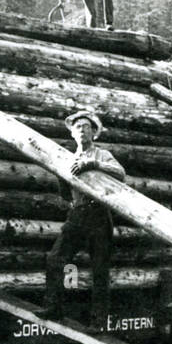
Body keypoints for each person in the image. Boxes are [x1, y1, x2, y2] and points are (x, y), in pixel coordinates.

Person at [44, 109, 127, 330]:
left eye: (87, 127)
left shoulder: (102, 155)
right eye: (78, 127)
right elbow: (63, 192)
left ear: (94, 133)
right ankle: (54, 309)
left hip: (99, 215)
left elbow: (120, 173)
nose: (82, 130)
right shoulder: (68, 158)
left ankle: (98, 322)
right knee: (55, 259)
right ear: (72, 133)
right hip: (78, 213)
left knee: (99, 268)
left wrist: (93, 165)